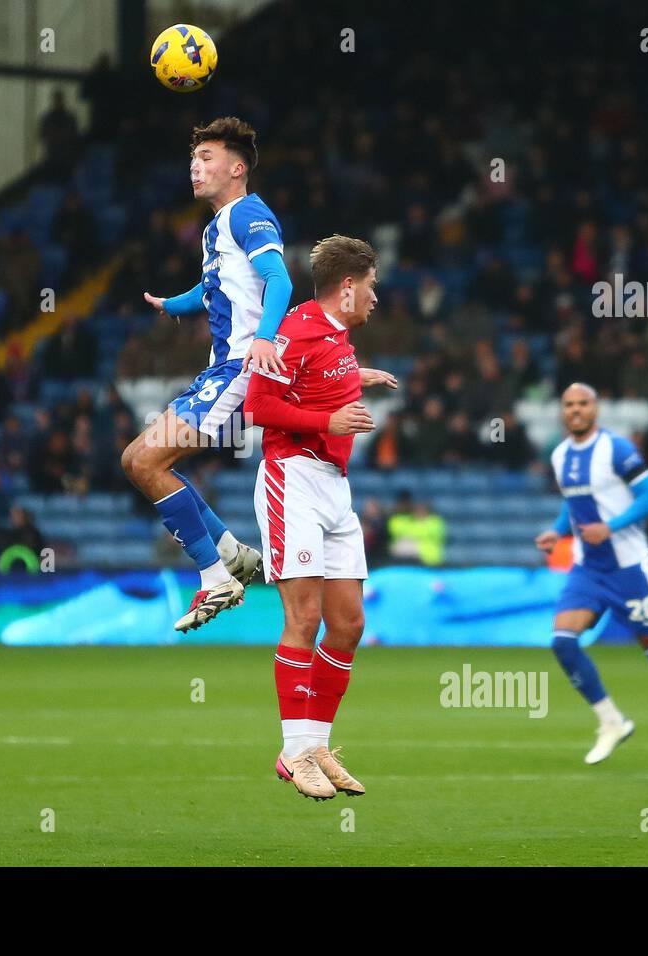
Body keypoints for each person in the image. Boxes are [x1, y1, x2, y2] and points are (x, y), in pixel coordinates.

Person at [120, 117, 294, 632]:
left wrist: (263, 339)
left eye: (208, 159)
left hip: (240, 369)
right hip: (218, 370)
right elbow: (214, 287)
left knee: (149, 460)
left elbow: (279, 281)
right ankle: (230, 551)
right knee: (135, 459)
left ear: (237, 169)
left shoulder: (249, 214)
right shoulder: (216, 227)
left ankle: (216, 575)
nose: (195, 168)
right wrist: (173, 302)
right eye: (193, 160)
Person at [244, 235, 398, 800]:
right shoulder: (295, 328)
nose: (376, 299)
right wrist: (328, 422)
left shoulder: (337, 337)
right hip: (293, 477)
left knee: (350, 624)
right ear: (349, 287)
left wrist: (362, 377)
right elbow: (259, 404)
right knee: (304, 618)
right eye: (373, 287)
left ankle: (318, 744)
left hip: (335, 488)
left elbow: (322, 375)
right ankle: (293, 751)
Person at [535, 383, 648, 772]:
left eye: (583, 404)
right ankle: (611, 721)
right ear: (562, 411)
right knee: (563, 642)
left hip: (628, 566)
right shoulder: (561, 453)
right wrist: (558, 530)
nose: (575, 410)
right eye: (569, 405)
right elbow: (574, 502)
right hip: (587, 568)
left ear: (595, 409)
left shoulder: (617, 449)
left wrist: (611, 527)